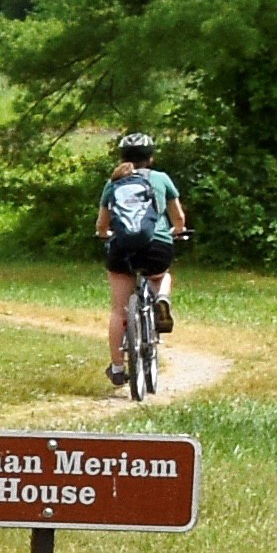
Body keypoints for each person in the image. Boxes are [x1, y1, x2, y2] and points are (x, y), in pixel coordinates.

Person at [97, 133, 187, 384]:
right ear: (151, 157)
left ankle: (117, 368)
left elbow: (102, 224)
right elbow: (178, 218)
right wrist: (177, 231)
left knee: (119, 310)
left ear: (122, 157)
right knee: (161, 275)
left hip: (122, 248)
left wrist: (104, 235)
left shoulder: (114, 182)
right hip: (156, 245)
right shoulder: (161, 179)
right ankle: (162, 299)